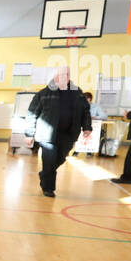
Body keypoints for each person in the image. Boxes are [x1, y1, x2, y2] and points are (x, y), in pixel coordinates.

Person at [25, 66, 91, 197]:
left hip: (68, 134)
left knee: (61, 158)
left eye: (65, 75)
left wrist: (87, 127)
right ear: (55, 77)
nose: (62, 77)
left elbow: (85, 111)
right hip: (47, 135)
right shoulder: (44, 93)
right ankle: (48, 188)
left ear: (68, 77)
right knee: (49, 160)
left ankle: (45, 174)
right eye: (60, 75)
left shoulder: (77, 92)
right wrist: (29, 133)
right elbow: (32, 113)